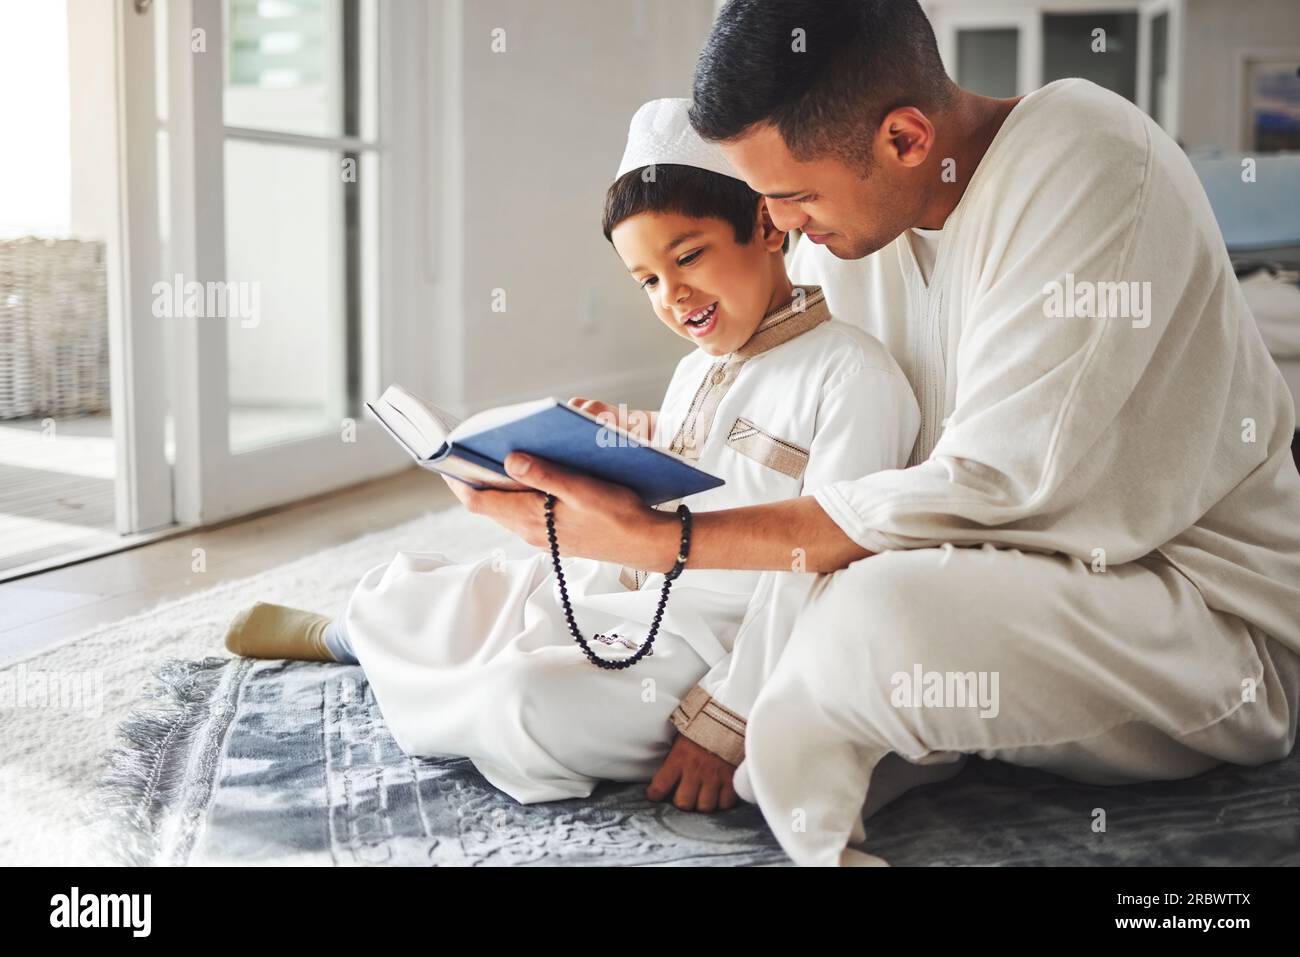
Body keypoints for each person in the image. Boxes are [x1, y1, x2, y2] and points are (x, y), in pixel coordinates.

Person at [450, 0, 1300, 866]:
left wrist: (670, 539)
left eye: (790, 197)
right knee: (663, 606)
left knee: (868, 617)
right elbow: (788, 405)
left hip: (1191, 621)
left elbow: (992, 485)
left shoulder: (1093, 161)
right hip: (968, 569)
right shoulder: (853, 225)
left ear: (903, 138)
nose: (778, 227)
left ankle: (814, 801)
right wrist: (602, 460)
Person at [224, 97, 919, 815]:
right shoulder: (701, 365)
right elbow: (693, 470)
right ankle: (355, 636)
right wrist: (601, 448)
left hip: (709, 652)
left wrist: (723, 718)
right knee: (423, 589)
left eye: (687, 257)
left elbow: (824, 572)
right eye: (647, 280)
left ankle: (402, 662)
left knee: (520, 701)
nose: (673, 296)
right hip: (622, 593)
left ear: (766, 226)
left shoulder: (852, 375)